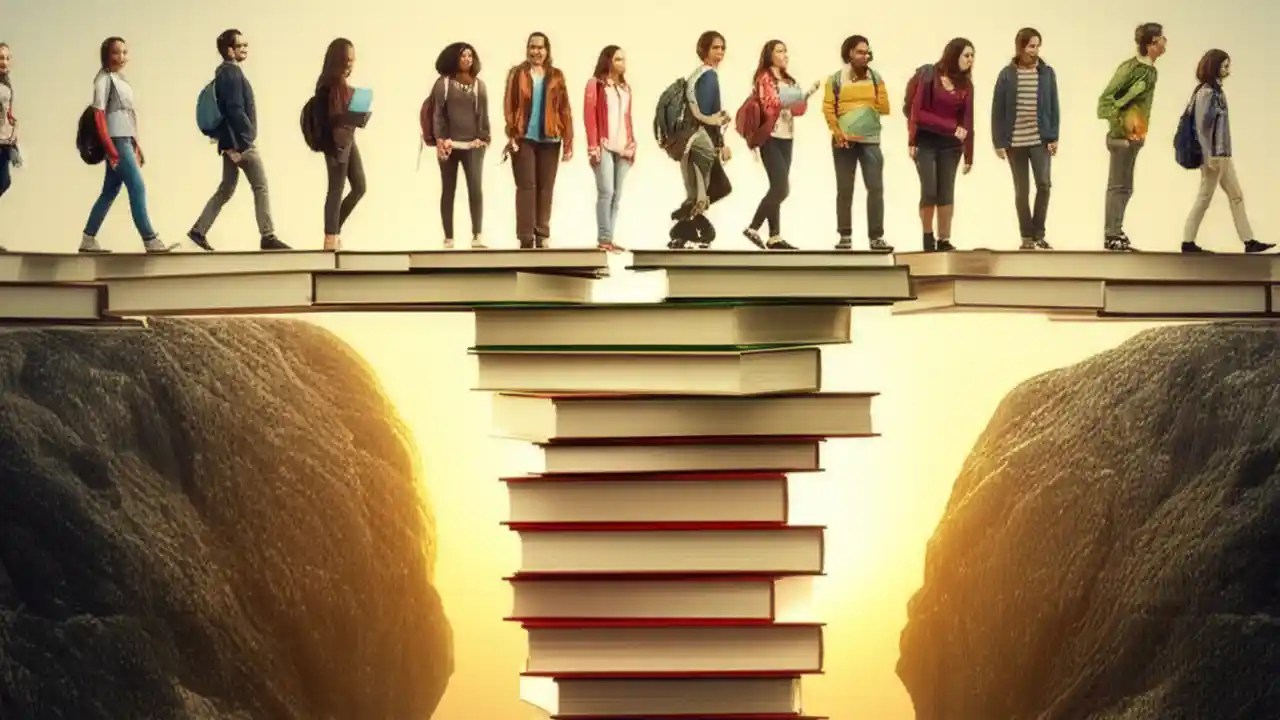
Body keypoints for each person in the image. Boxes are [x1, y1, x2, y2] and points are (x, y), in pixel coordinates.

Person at [188, 29, 289, 252]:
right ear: (229, 50)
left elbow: (225, 111)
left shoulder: (225, 73)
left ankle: (199, 230)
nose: (245, 49)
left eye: (245, 45)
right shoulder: (231, 74)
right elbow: (233, 110)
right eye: (240, 46)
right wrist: (244, 141)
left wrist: (226, 146)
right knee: (260, 186)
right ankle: (268, 236)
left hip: (230, 143)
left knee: (226, 188)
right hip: (241, 144)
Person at [81, 36, 172, 254]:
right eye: (116, 52)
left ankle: (88, 239)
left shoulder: (121, 79)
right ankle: (150, 239)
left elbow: (129, 115)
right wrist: (110, 149)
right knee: (137, 187)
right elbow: (99, 116)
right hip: (115, 140)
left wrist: (135, 144)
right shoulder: (103, 80)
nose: (121, 57)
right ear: (106, 55)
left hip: (125, 139)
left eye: (124, 52)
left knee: (109, 192)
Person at [1181, 49, 1273, 254]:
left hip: (1223, 155)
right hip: (1213, 156)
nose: (1227, 70)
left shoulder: (1217, 92)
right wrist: (1207, 156)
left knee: (1236, 195)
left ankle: (1249, 241)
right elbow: (1201, 127)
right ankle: (1187, 242)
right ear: (1214, 67)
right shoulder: (1206, 93)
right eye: (1224, 66)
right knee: (1204, 197)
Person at [1097, 23, 1165, 252]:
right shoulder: (1130, 68)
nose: (1165, 42)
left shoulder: (1151, 71)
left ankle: (1116, 231)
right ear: (1152, 43)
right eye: (1161, 38)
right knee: (1118, 186)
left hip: (1135, 139)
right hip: (1123, 139)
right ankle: (1111, 235)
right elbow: (1104, 103)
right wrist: (1122, 131)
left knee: (1125, 187)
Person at [502, 31, 572, 249]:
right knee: (526, 186)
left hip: (551, 138)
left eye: (540, 47)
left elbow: (564, 109)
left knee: (545, 188)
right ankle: (525, 236)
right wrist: (512, 134)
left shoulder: (557, 76)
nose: (536, 51)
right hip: (524, 138)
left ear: (547, 50)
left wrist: (568, 141)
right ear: (527, 49)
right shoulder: (517, 74)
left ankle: (542, 234)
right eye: (532, 47)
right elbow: (509, 105)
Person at [991, 27, 1059, 250]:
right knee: (1022, 190)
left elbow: (1053, 106)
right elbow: (997, 110)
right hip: (1015, 142)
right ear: (1021, 47)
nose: (1035, 50)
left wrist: (1053, 136)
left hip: (1040, 139)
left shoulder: (1047, 73)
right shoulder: (1007, 74)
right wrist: (999, 141)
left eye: (1038, 46)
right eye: (1031, 46)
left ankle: (1039, 232)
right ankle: (1026, 236)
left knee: (1044, 184)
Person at [742, 40, 814, 251]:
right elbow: (770, 102)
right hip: (770, 136)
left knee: (776, 186)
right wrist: (797, 97)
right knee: (781, 188)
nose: (785, 55)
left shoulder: (789, 80)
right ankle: (753, 227)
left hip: (787, 137)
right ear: (770, 55)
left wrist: (802, 98)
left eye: (786, 51)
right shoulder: (764, 77)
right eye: (780, 51)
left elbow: (799, 109)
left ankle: (774, 237)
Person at [824, 34, 890, 251]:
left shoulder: (875, 78)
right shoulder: (835, 79)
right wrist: (838, 131)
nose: (865, 56)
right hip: (843, 141)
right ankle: (845, 235)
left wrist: (863, 113)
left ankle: (876, 236)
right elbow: (828, 108)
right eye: (860, 52)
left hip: (870, 140)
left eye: (867, 52)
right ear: (849, 53)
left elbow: (884, 106)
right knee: (845, 189)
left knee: (875, 188)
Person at [908, 37, 974, 252]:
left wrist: (969, 154)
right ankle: (927, 236)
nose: (970, 60)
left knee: (946, 192)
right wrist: (913, 140)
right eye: (966, 55)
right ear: (954, 55)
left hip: (951, 146)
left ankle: (944, 239)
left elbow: (968, 120)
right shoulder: (930, 75)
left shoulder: (966, 85)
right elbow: (918, 113)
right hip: (926, 142)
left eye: (973, 56)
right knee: (929, 191)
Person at [668, 30, 732, 250]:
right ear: (704, 50)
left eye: (723, 47)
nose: (720, 52)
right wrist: (719, 144)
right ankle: (692, 226)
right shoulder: (708, 76)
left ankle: (682, 230)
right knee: (715, 188)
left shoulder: (697, 75)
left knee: (707, 189)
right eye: (715, 47)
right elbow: (706, 115)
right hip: (700, 142)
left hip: (692, 141)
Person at [432, 41, 490, 249]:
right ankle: (449, 237)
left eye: (470, 56)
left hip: (472, 146)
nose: (467, 59)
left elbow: (483, 115)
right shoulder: (443, 84)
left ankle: (477, 235)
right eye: (463, 56)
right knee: (448, 189)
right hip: (448, 145)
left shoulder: (478, 85)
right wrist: (440, 139)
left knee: (475, 188)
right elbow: (437, 114)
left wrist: (482, 139)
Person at [315, 37, 367, 251]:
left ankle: (335, 230)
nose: (351, 64)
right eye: (348, 60)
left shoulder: (342, 84)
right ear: (339, 59)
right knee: (336, 188)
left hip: (348, 138)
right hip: (336, 141)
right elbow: (332, 116)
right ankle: (330, 238)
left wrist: (359, 111)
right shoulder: (329, 83)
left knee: (360, 186)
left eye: (353, 60)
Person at [583, 45, 636, 252]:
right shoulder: (595, 85)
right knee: (606, 191)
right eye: (618, 59)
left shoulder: (625, 88)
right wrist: (593, 145)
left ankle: (610, 238)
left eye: (623, 59)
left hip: (623, 146)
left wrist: (632, 142)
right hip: (604, 145)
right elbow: (590, 117)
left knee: (617, 194)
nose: (622, 63)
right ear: (608, 61)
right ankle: (604, 238)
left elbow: (627, 117)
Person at [0, 42, 17, 252]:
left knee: (4, 181)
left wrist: (14, 124)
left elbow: (7, 113)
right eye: (0, 58)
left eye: (6, 58)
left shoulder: (7, 86)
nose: (3, 62)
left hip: (5, 140)